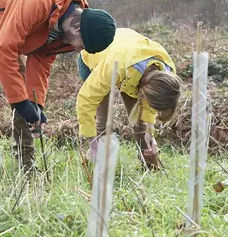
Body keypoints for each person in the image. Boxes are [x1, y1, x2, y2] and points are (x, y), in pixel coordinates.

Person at [0, 0, 116, 171]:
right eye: (82, 45)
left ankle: (26, 163)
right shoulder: (37, 1)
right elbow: (3, 49)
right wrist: (19, 102)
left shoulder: (66, 31)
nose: (77, 50)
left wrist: (35, 105)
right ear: (77, 29)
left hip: (9, 40)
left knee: (27, 101)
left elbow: (41, 62)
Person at [76, 28, 182, 170]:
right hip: (95, 55)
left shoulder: (166, 75)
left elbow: (150, 104)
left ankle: (151, 168)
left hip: (131, 62)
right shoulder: (116, 67)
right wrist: (92, 141)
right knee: (103, 123)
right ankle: (95, 170)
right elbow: (86, 101)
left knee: (140, 124)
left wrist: (150, 133)